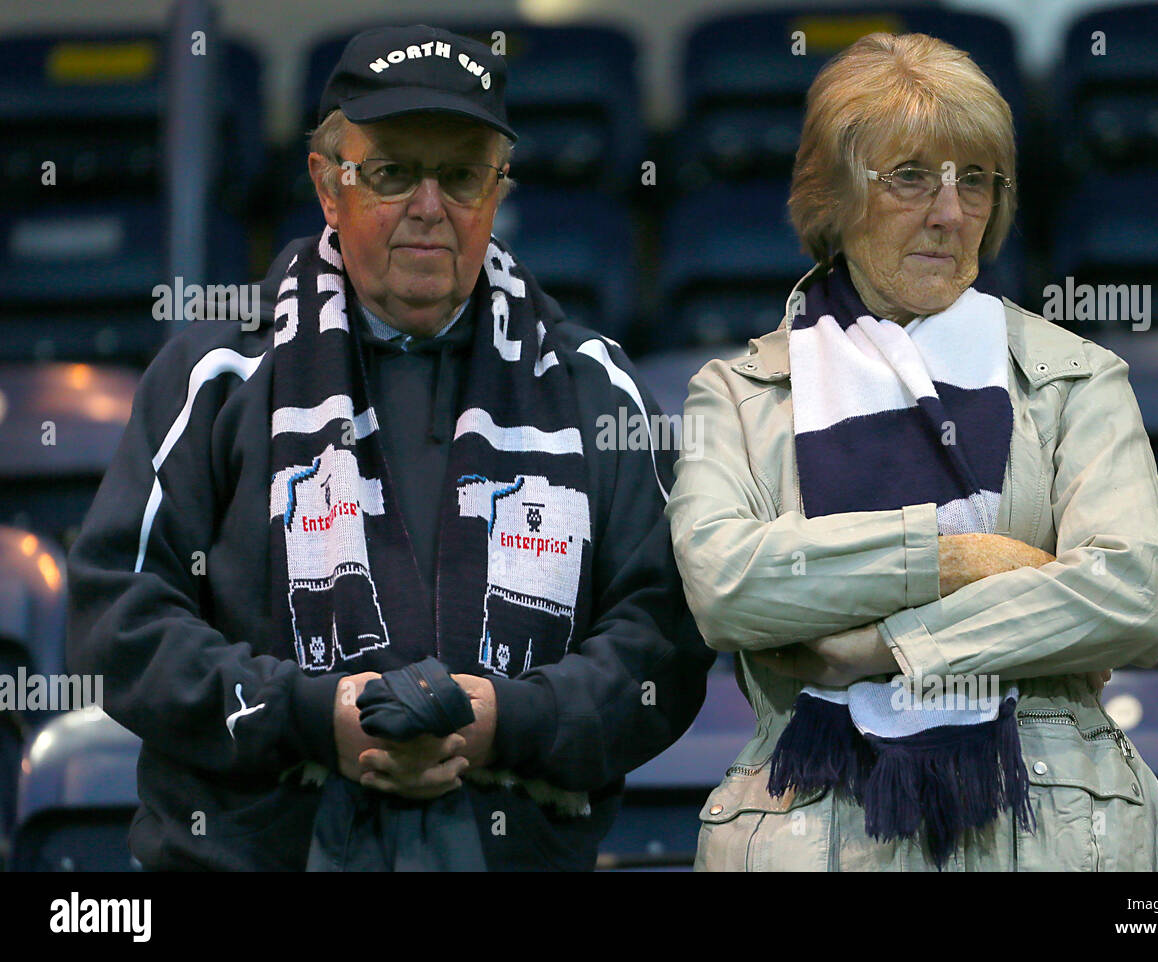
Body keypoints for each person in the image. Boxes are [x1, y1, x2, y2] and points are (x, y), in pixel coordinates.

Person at [66, 24, 711, 871]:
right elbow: (117, 620)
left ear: (498, 188)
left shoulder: (593, 387)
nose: (430, 207)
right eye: (394, 172)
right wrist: (301, 715)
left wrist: (510, 723)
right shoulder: (215, 377)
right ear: (327, 185)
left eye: (462, 175)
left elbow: (663, 637)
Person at [666, 32, 1158, 871]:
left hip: (1058, 825)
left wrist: (886, 648)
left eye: (973, 179)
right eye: (910, 177)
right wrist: (960, 560)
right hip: (812, 829)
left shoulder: (1073, 377)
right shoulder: (737, 394)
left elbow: (1128, 592)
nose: (950, 213)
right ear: (833, 195)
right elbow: (730, 588)